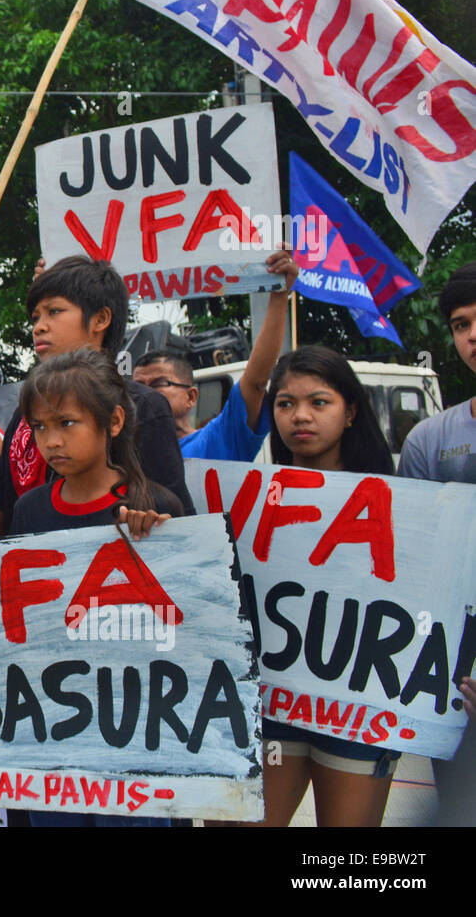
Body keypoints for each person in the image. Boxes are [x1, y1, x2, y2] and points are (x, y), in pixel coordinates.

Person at [0, 348, 179, 827]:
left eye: (67, 424)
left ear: (113, 422)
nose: (51, 440)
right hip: (53, 735)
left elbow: (195, 624)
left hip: (136, 737)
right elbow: (18, 620)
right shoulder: (30, 510)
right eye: (39, 427)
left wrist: (163, 543)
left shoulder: (155, 507)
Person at [0, 256, 193, 544]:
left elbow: (180, 531)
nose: (39, 327)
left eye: (54, 311)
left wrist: (153, 524)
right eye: (36, 317)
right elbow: (3, 516)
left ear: (100, 319)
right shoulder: (22, 419)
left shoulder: (144, 405)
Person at [252, 345, 398, 827]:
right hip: (274, 707)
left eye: (319, 402)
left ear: (351, 410)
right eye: (286, 403)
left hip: (360, 711)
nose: (300, 416)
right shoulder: (247, 497)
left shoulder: (399, 502)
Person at [396, 260, 476, 825]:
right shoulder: (431, 438)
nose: (472, 336)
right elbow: (414, 560)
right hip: (459, 684)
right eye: (460, 323)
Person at [132, 251, 297, 461]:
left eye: (158, 384)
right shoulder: (120, 458)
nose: (144, 394)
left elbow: (256, 381)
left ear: (191, 397)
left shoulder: (221, 439)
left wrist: (279, 293)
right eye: (137, 387)